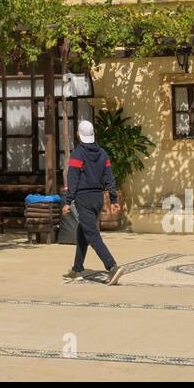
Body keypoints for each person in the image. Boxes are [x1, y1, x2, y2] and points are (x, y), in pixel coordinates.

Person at [61, 120, 124, 285]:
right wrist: (113, 199)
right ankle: (77, 268)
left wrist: (68, 201)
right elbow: (109, 177)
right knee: (83, 231)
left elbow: (73, 179)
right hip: (98, 199)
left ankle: (112, 267)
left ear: (78, 135)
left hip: (84, 199)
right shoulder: (103, 153)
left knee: (92, 235)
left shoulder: (77, 154)